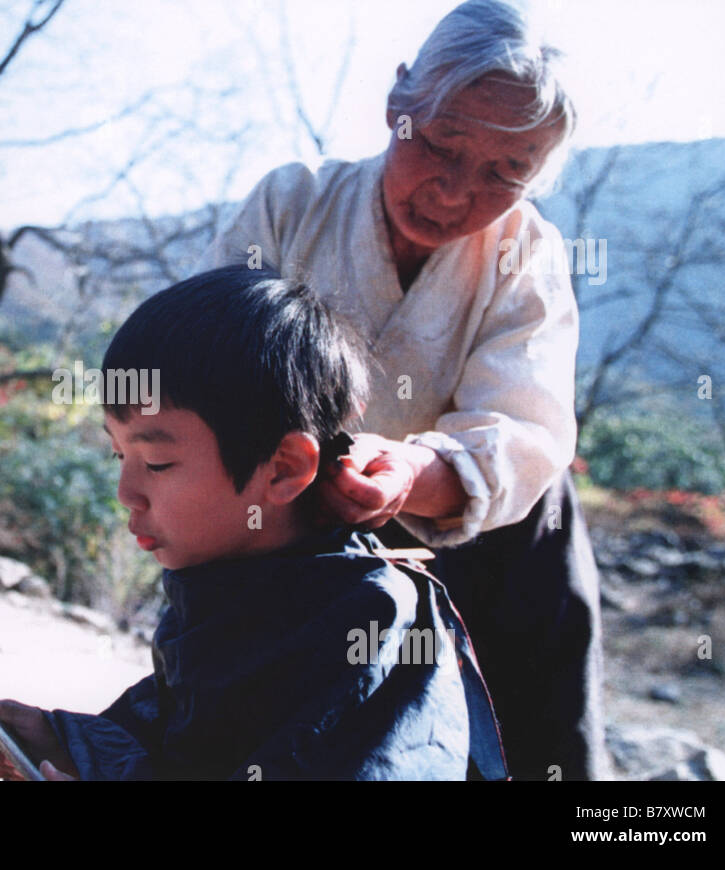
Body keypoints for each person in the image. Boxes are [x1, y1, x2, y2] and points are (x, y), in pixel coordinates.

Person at [193, 0, 606, 780]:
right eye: (442, 147)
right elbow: (206, 363)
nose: (454, 194)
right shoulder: (293, 206)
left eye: (503, 174)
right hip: (287, 506)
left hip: (473, 533)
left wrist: (416, 473)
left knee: (541, 510)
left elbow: (523, 428)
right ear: (398, 106)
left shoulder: (527, 253)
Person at [0, 265, 508, 781]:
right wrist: (71, 747)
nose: (126, 494)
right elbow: (183, 745)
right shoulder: (214, 586)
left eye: (157, 464)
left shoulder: (373, 622)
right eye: (119, 457)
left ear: (284, 468)